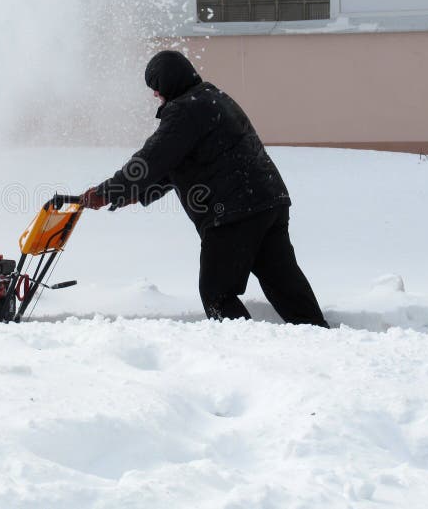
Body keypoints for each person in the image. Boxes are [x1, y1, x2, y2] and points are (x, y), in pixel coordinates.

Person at [80, 50, 329, 327]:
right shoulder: (212, 97)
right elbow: (177, 164)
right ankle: (320, 337)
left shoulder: (185, 110)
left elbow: (151, 160)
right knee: (285, 285)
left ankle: (246, 346)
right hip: (268, 201)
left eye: (156, 85)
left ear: (169, 81)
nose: (155, 94)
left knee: (216, 292)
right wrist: (137, 193)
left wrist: (106, 192)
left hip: (233, 213)